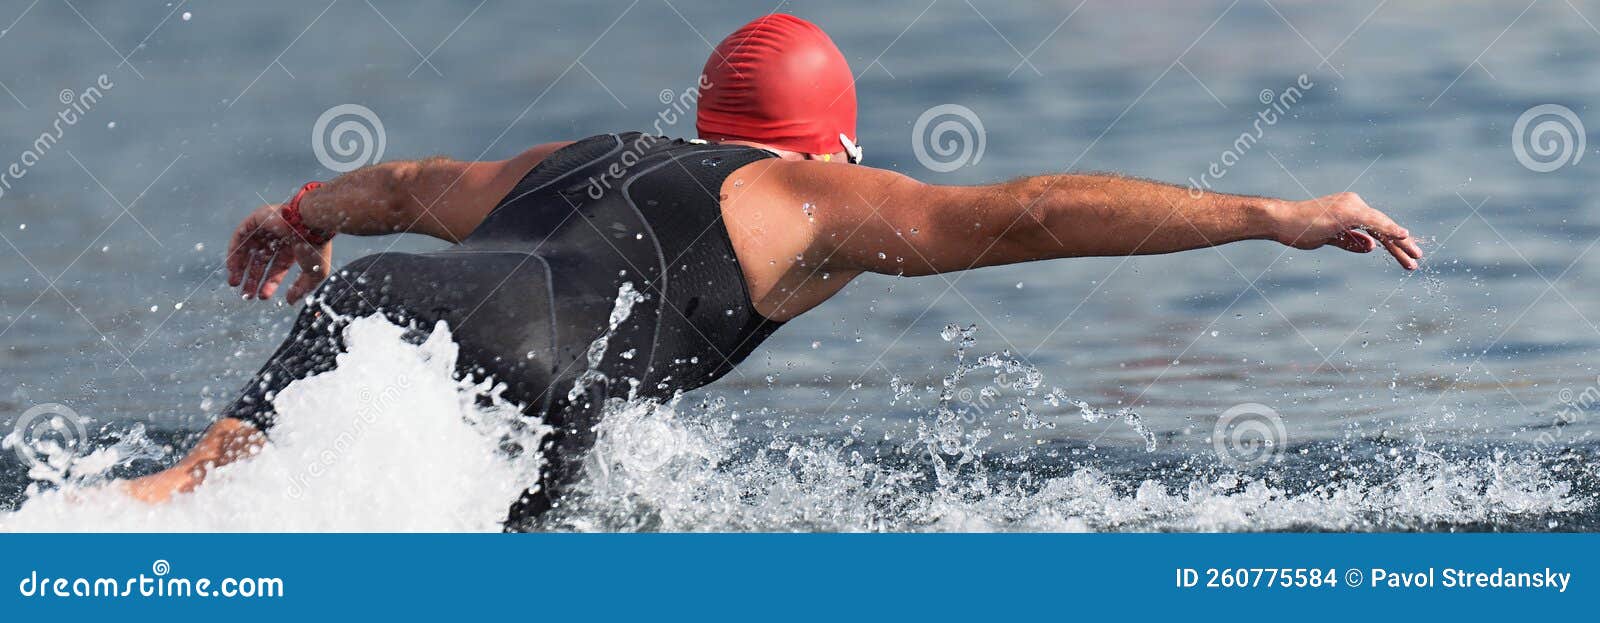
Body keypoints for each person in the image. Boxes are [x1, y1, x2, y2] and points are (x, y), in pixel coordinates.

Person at [124, 14, 1422, 524]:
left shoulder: (570, 158)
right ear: (835, 144)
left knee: (179, 505)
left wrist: (301, 213)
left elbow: (403, 192)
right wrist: (1271, 212)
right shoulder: (808, 196)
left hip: (377, 308)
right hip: (528, 385)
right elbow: (1029, 212)